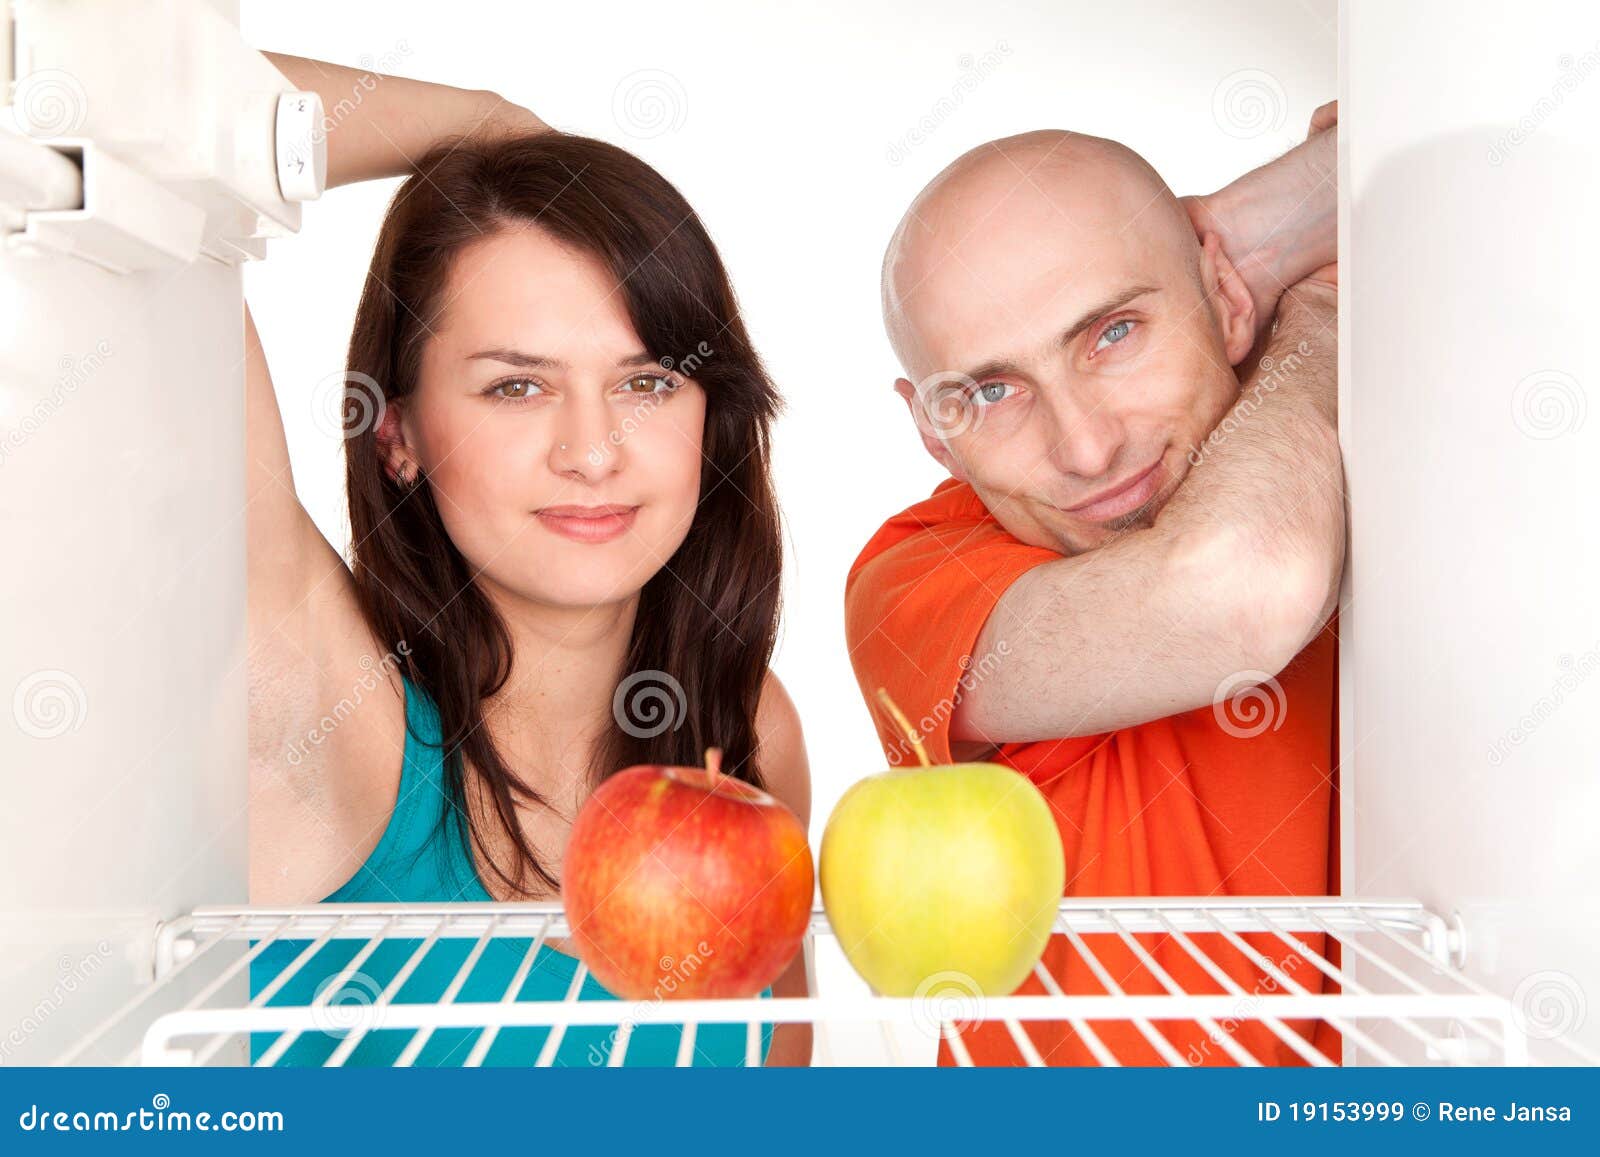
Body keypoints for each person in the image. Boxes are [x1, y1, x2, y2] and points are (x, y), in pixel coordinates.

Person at [246, 53, 811, 1066]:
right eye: (516, 386)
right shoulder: (325, 693)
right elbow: (88, 87)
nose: (592, 452)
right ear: (397, 431)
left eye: (646, 381)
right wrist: (485, 121)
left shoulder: (745, 722)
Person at [845, 107, 1344, 1065]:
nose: (1085, 448)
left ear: (1226, 296)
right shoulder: (914, 574)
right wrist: (1317, 313)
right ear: (932, 431)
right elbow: (1241, 591)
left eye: (1114, 332)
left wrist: (1247, 255)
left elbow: (1439, 143)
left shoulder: (1334, 459)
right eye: (990, 392)